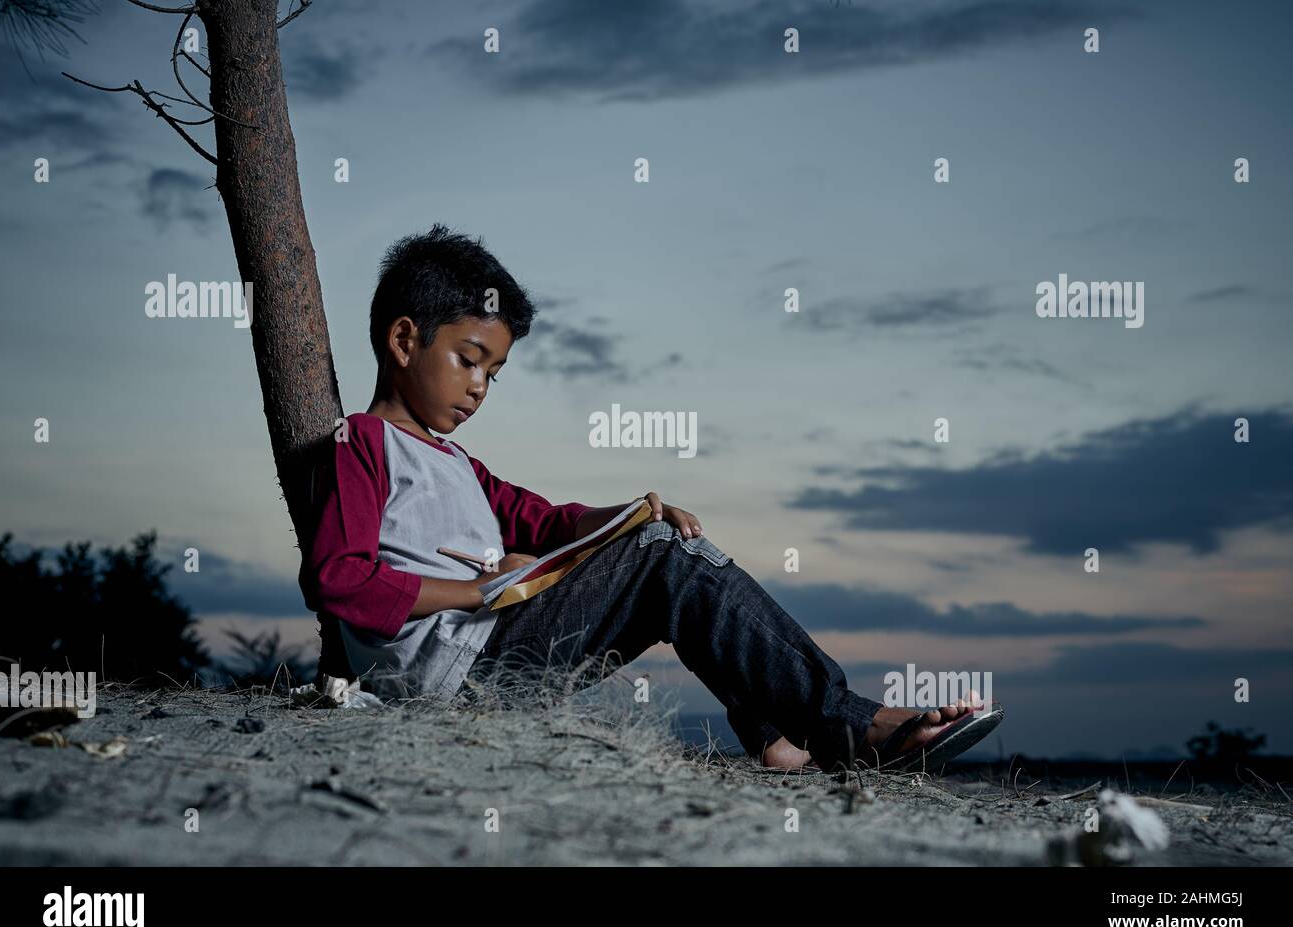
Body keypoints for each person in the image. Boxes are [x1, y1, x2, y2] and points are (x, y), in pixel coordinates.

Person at [299, 224, 1002, 773]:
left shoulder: (458, 464)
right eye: (468, 360)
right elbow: (339, 579)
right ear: (404, 340)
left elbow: (549, 522)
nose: (480, 387)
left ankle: (778, 740)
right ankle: (854, 725)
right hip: (460, 670)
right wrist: (476, 592)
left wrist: (634, 514)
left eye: (495, 372)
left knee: (666, 549)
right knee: (668, 562)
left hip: (495, 651)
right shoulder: (361, 444)